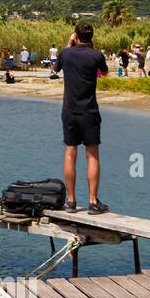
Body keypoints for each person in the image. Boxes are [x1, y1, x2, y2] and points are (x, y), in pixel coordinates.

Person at [52, 23, 109, 214]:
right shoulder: (96, 55)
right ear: (91, 37)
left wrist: (69, 44)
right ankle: (93, 202)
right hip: (90, 111)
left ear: (76, 35)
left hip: (69, 110)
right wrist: (89, 48)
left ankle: (71, 200)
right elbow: (104, 71)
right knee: (92, 155)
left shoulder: (66, 53)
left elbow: (55, 68)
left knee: (70, 152)